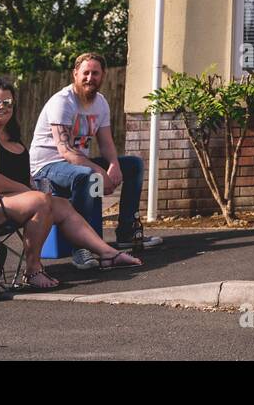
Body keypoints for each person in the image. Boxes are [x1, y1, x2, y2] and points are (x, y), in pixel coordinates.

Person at [0, 78, 141, 290]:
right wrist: (30, 193)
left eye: (8, 103)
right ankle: (33, 270)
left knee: (61, 204)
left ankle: (108, 253)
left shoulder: (11, 136)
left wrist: (33, 190)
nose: (2, 107)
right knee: (39, 201)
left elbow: (21, 177)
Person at [29, 53, 161, 269]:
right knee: (88, 176)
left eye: (95, 73)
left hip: (76, 162)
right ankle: (81, 248)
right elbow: (65, 150)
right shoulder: (63, 102)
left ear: (103, 76)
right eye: (86, 73)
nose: (90, 78)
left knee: (133, 165)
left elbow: (106, 142)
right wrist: (100, 171)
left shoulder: (100, 103)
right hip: (47, 165)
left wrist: (114, 166)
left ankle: (126, 232)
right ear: (75, 74)